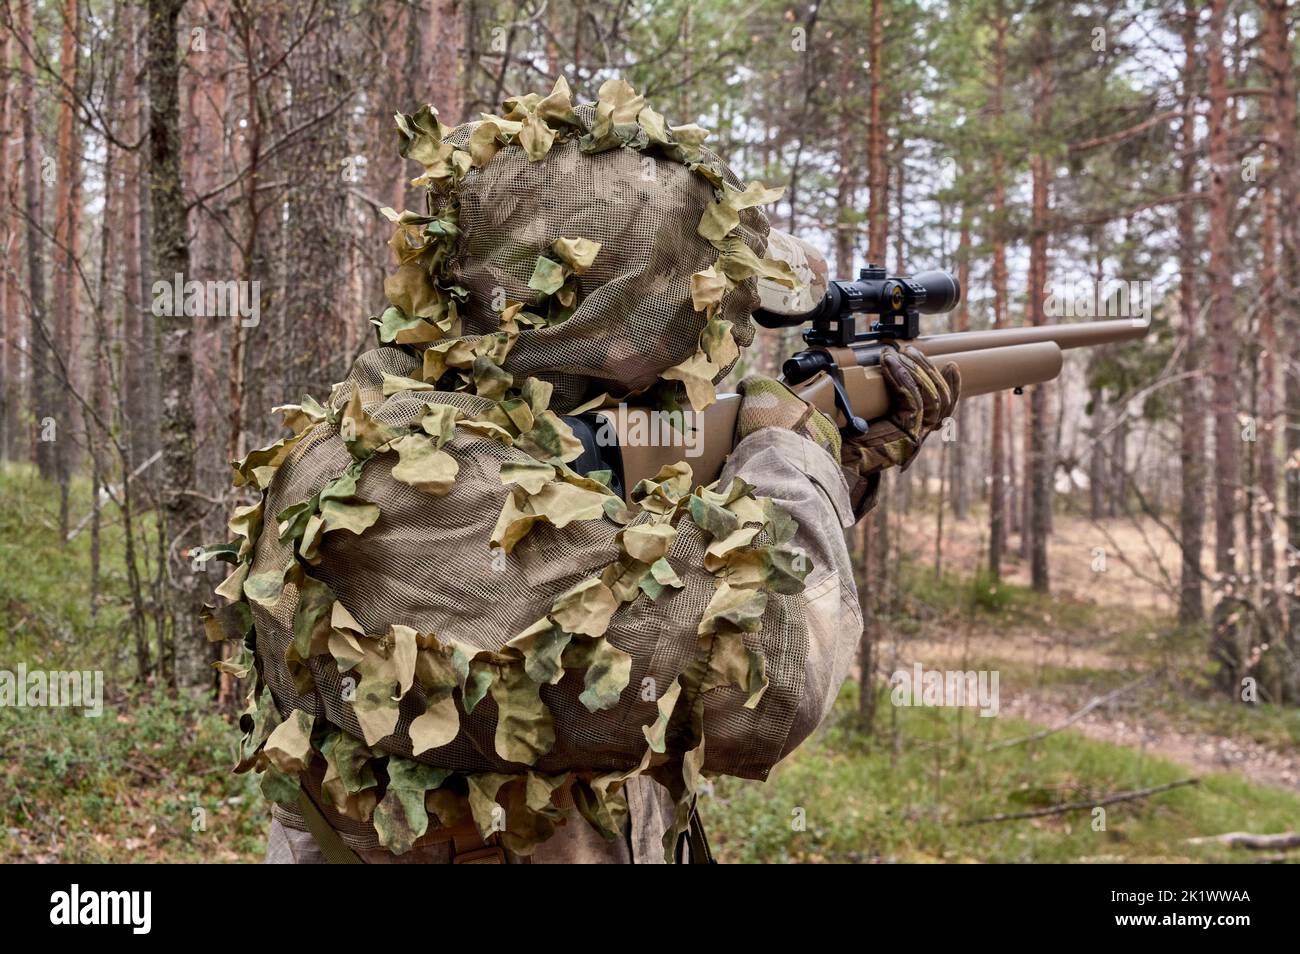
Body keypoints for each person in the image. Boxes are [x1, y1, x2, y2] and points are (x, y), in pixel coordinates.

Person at [212, 78, 957, 865]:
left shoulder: (548, 431)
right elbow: (763, 685)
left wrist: (840, 462)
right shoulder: (403, 481)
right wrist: (794, 459)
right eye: (673, 303)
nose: (699, 335)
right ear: (587, 315)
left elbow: (669, 567)